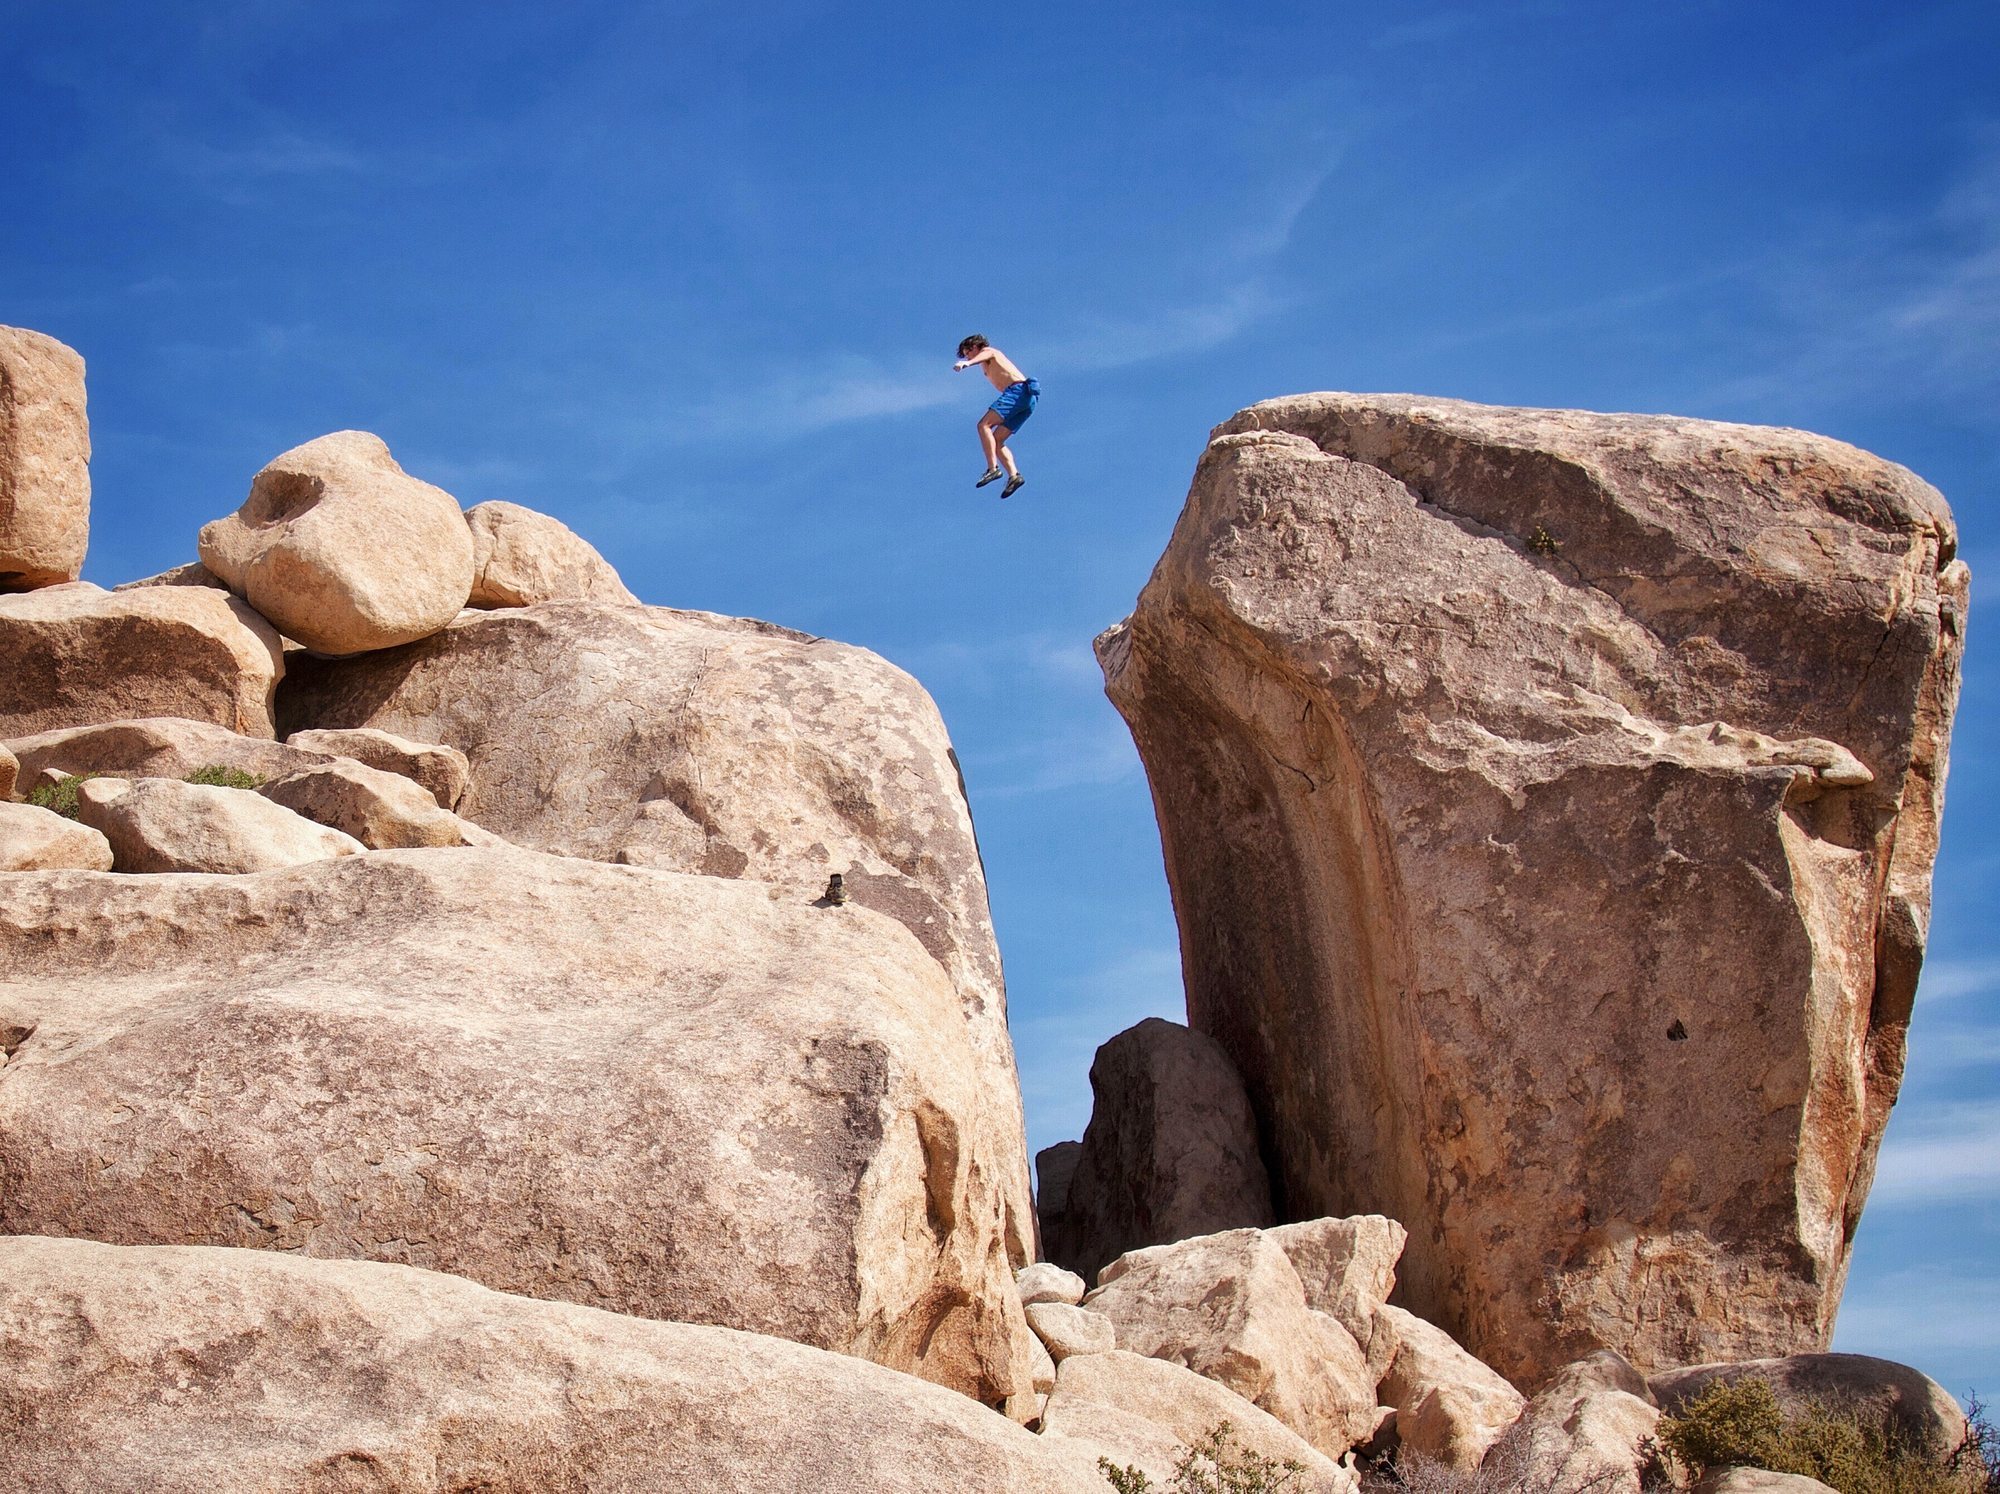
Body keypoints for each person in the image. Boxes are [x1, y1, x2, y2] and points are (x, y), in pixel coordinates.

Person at [953, 335, 1038, 498]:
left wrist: (967, 364)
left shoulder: (988, 351)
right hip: (1027, 400)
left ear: (975, 347)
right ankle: (1014, 476)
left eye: (968, 353)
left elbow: (986, 354)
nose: (967, 357)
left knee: (983, 425)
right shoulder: (986, 361)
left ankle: (992, 469)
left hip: (1017, 392)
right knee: (997, 440)